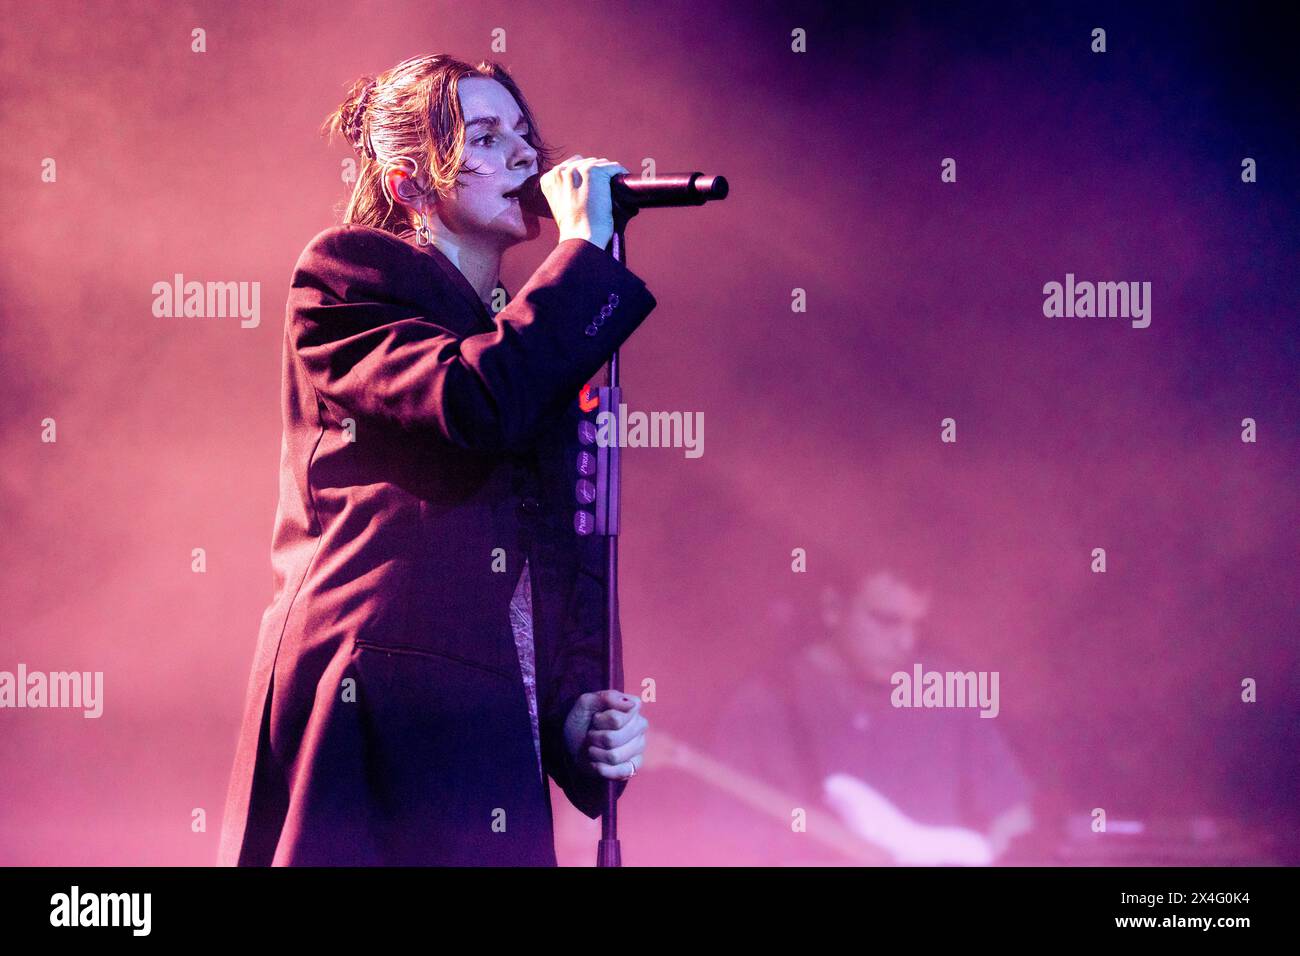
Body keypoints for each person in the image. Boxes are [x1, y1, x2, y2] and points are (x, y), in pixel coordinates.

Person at [218, 54, 653, 865]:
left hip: (490, 722)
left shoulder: (529, 347)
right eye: (486, 137)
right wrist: (586, 247)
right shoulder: (349, 277)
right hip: (374, 706)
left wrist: (568, 716)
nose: (528, 157)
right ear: (410, 183)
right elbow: (470, 405)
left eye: (525, 134)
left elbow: (552, 555)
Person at [707, 570, 1034, 865]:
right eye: (887, 621)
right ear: (833, 607)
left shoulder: (944, 687)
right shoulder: (763, 705)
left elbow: (1011, 816)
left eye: (916, 624)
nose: (906, 642)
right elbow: (727, 848)